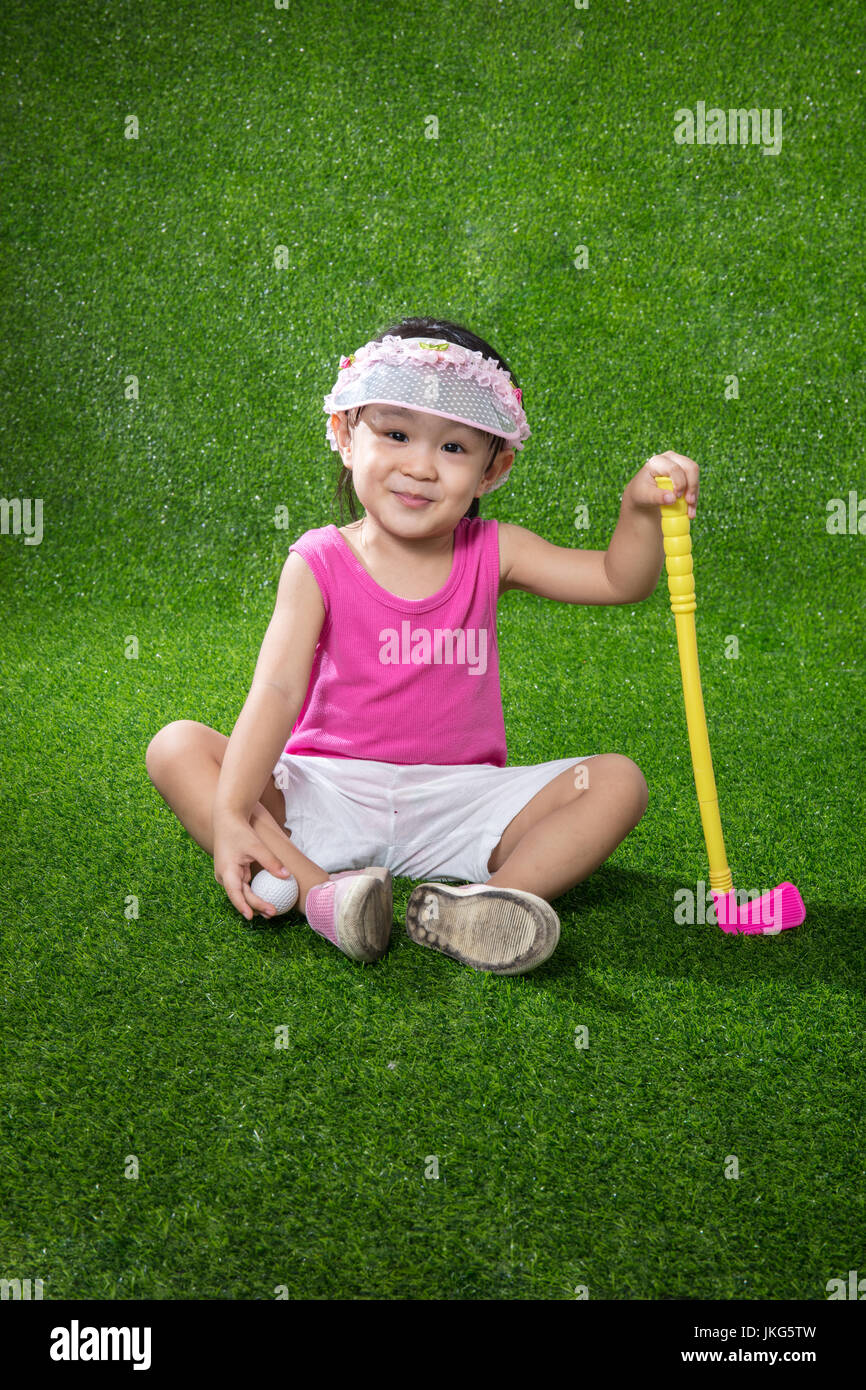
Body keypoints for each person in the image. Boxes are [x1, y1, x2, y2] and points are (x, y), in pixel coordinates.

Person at [146, 315, 699, 976]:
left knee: (616, 782)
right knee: (177, 747)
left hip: (461, 799)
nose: (419, 467)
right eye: (397, 434)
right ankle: (327, 899)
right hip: (329, 790)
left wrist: (638, 510)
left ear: (493, 470)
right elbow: (278, 690)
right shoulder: (318, 561)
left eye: (454, 447)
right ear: (344, 435)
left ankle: (483, 907)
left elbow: (617, 580)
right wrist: (234, 810)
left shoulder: (496, 550)